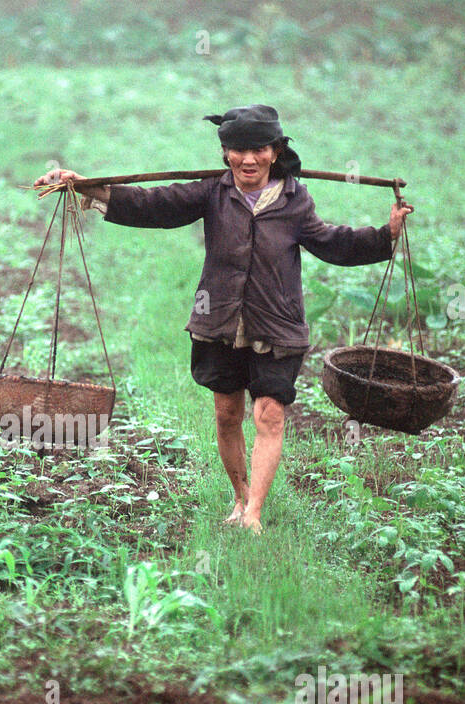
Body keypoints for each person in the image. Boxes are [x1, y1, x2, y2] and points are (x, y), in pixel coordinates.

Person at [32, 104, 413, 534]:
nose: (248, 160)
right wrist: (88, 186)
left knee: (269, 413)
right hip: (220, 321)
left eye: (259, 150)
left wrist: (386, 236)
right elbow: (156, 204)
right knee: (227, 413)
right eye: (238, 150)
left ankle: (254, 513)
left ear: (275, 151)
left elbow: (331, 242)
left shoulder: (293, 199)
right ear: (225, 153)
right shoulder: (212, 191)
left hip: (277, 324)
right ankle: (239, 495)